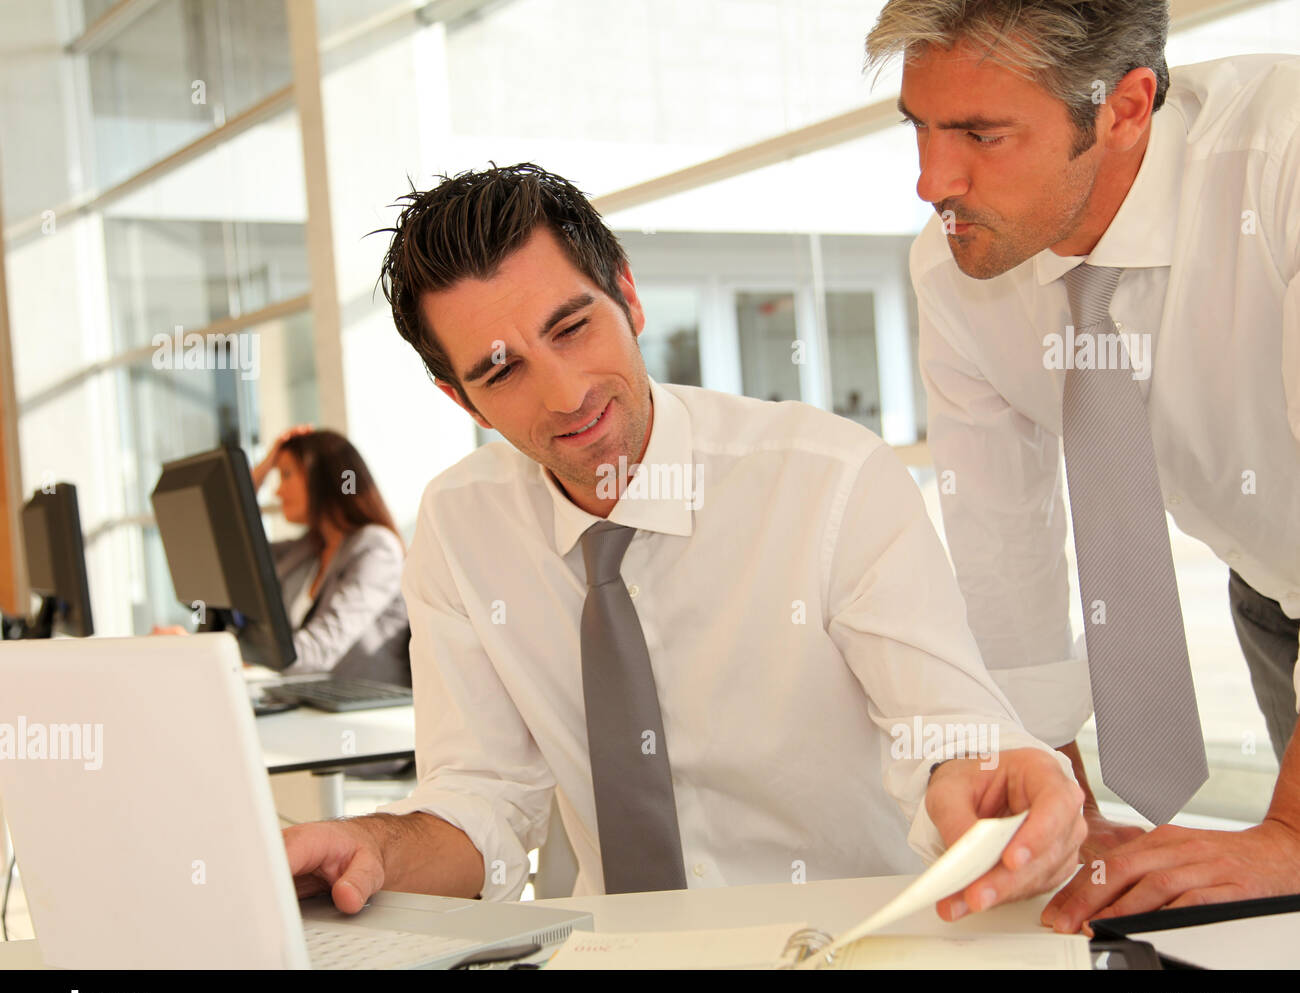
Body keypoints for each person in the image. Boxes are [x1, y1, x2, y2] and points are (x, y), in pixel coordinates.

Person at [283, 162, 1084, 915]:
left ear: (627, 293)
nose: (566, 395)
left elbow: (944, 728)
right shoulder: (460, 527)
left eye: (571, 328)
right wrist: (374, 847)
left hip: (851, 945)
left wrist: (981, 776)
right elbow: (481, 799)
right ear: (462, 401)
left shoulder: (829, 480)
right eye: (503, 371)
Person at [862, 0, 1300, 933]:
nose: (931, 181)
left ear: (1126, 106)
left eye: (982, 133)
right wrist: (1062, 803)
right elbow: (1002, 543)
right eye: (921, 128)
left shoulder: (1285, 166)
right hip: (1275, 589)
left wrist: (1291, 829)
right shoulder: (956, 272)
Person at [155, 429, 410, 686]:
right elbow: (221, 545)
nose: (277, 492)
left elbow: (318, 652)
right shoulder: (305, 550)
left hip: (367, 710)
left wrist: (208, 650)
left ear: (322, 478)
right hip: (307, 699)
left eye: (286, 475)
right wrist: (259, 471)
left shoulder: (377, 549)